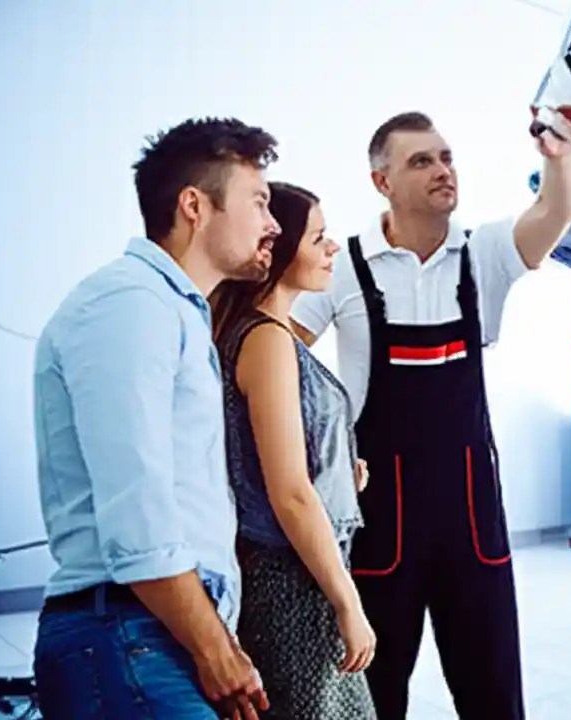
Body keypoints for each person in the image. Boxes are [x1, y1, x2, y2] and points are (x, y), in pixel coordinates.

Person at [289, 106, 571, 720]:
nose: (442, 170)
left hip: (472, 520)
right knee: (372, 697)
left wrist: (559, 154)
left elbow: (559, 210)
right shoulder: (344, 266)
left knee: (494, 693)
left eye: (446, 157)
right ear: (383, 183)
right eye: (421, 161)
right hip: (381, 522)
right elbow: (276, 356)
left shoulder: (486, 254)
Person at [31, 117, 281, 719]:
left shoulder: (173, 311)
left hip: (151, 628)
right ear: (195, 206)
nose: (272, 223)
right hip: (127, 632)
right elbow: (137, 509)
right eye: (259, 201)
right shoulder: (129, 304)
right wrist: (210, 645)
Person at [209, 181, 379, 719]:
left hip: (290, 576)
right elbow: (289, 494)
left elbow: (270, 462)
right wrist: (348, 603)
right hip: (292, 588)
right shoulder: (267, 340)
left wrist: (335, 469)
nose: (332, 248)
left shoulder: (256, 333)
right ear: (280, 249)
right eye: (319, 238)